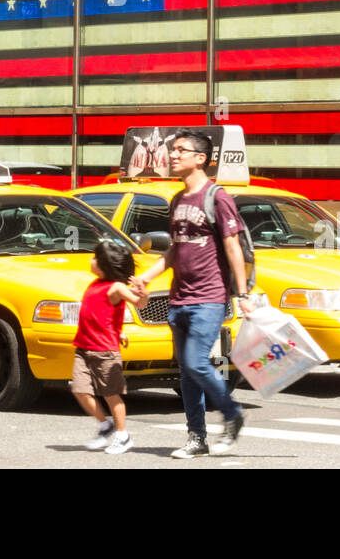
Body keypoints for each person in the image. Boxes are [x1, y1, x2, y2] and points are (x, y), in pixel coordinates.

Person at [131, 130, 250, 459]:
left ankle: (232, 412)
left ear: (201, 158)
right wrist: (145, 277)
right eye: (172, 150)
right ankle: (197, 438)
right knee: (186, 372)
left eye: (181, 150)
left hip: (209, 297)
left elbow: (232, 246)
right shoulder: (178, 200)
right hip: (178, 298)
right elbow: (173, 251)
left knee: (197, 364)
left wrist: (242, 293)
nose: (173, 155)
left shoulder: (217, 197)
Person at [73, 240, 147, 455]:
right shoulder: (95, 283)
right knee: (79, 389)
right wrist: (119, 329)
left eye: (95, 258)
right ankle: (105, 425)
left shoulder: (116, 287)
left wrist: (142, 292)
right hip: (83, 348)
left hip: (105, 352)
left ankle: (123, 436)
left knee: (111, 395)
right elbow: (105, 314)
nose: (91, 260)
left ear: (105, 264)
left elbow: (138, 303)